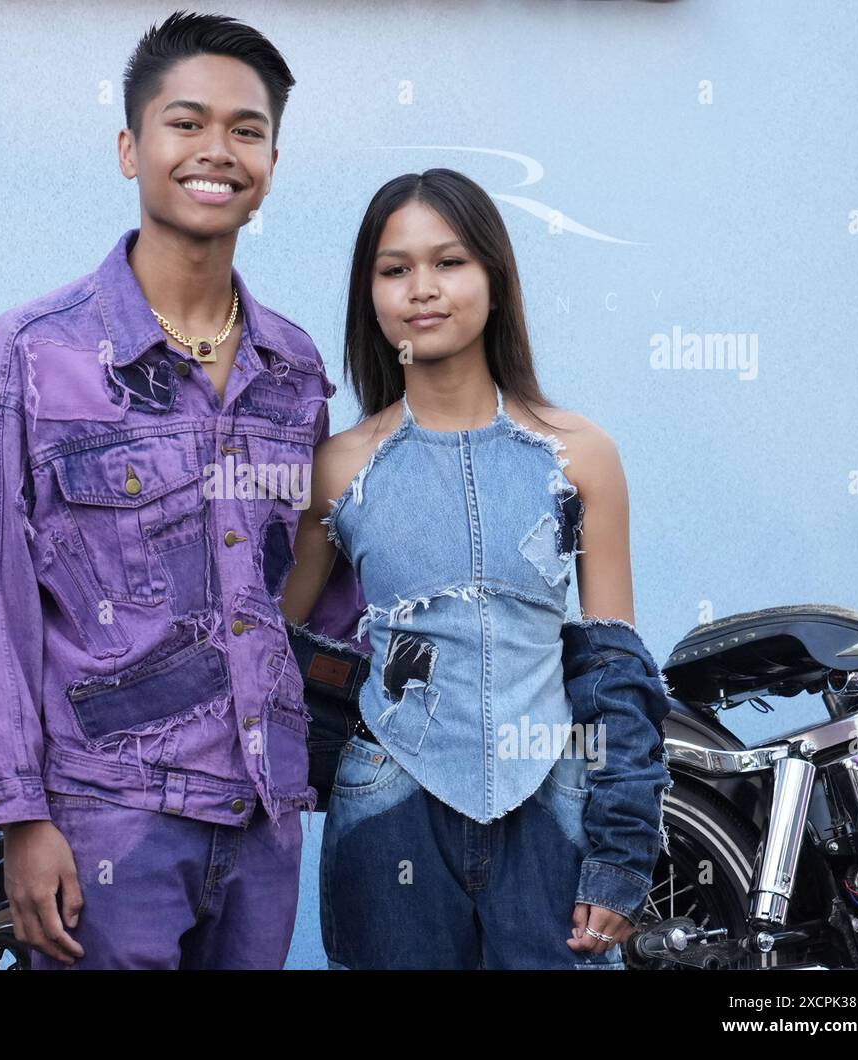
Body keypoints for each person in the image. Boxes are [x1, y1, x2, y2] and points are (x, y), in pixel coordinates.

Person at [0, 11, 361, 970]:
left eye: (246, 130)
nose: (217, 151)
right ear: (131, 148)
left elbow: (310, 591)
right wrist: (19, 817)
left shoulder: (292, 368)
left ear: (272, 162)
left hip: (260, 820)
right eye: (187, 122)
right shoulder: (31, 356)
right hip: (104, 821)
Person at [280, 168, 674, 969]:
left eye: (449, 262)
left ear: (495, 277)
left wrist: (623, 854)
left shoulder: (581, 456)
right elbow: (268, 646)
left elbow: (616, 669)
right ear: (371, 296)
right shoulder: (337, 469)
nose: (422, 289)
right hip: (387, 814)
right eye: (395, 270)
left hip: (552, 812)